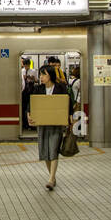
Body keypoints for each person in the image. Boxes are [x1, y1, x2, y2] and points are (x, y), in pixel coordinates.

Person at [26, 63, 73, 191]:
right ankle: (52, 176)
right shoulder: (38, 89)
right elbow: (31, 104)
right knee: (44, 151)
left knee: (53, 150)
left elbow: (67, 103)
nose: (41, 77)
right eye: (40, 74)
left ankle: (51, 179)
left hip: (56, 124)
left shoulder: (61, 88)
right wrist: (28, 115)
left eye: (43, 74)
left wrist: (69, 118)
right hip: (42, 124)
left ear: (50, 75)